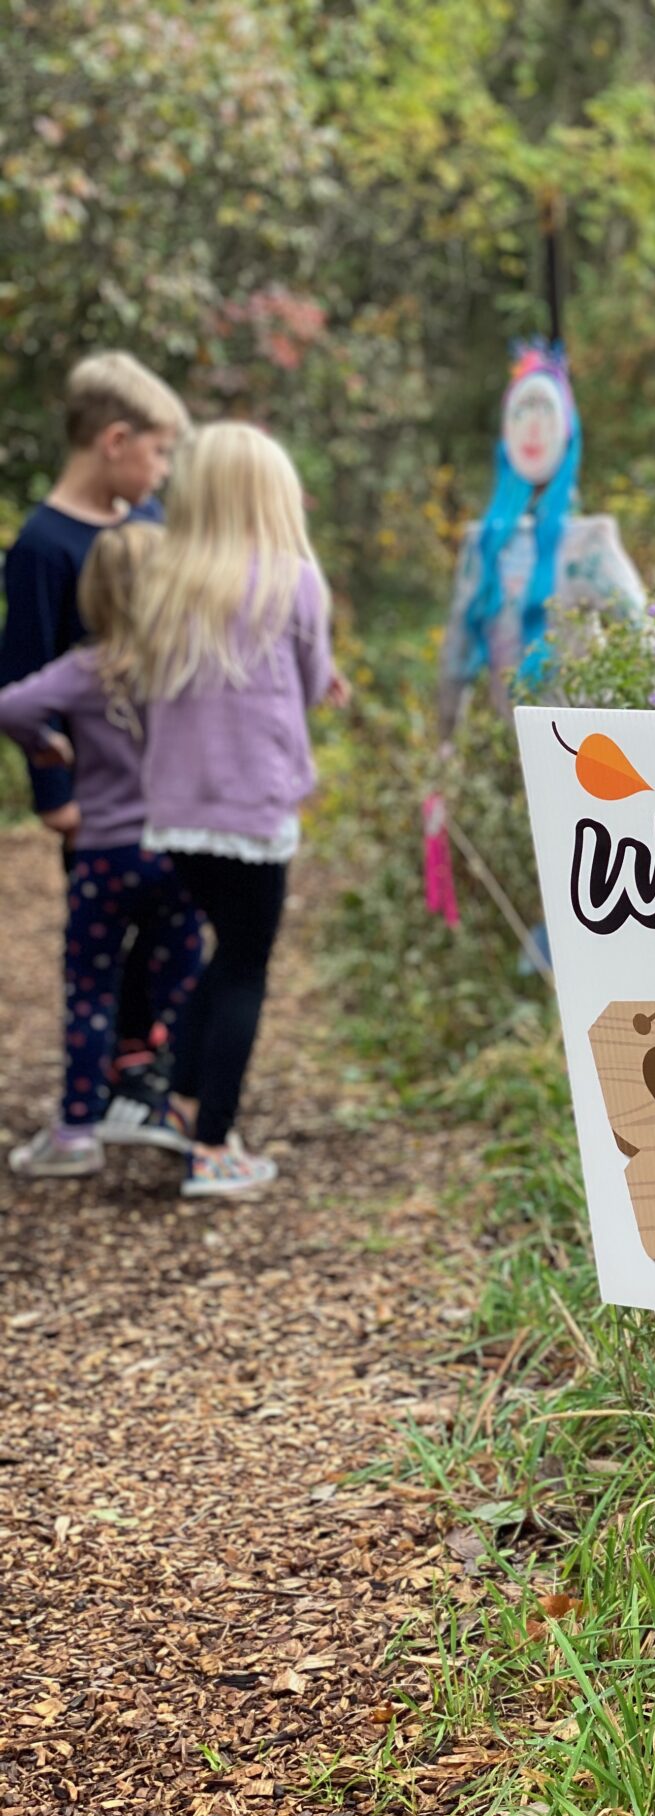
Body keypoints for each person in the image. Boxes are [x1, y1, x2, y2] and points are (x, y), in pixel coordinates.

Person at [133, 421, 347, 1198]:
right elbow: (314, 671)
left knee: (224, 952)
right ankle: (215, 1147)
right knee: (246, 965)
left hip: (179, 814)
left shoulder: (163, 581)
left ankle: (183, 1104)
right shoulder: (293, 581)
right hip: (253, 812)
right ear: (271, 497)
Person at [0, 350, 190, 1119]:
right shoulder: (43, 547)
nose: (164, 469)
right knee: (102, 944)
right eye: (158, 451)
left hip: (172, 792)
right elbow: (22, 679)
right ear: (115, 441)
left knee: (172, 930)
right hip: (97, 802)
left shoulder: (150, 525)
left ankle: (140, 1071)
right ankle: (108, 1077)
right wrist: (53, 785)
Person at [0, 524, 204, 1177]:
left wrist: (49, 748)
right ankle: (178, 1112)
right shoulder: (192, 667)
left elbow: (12, 707)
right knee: (181, 988)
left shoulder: (83, 670)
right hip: (179, 854)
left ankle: (77, 1131)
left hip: (104, 855)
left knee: (90, 989)